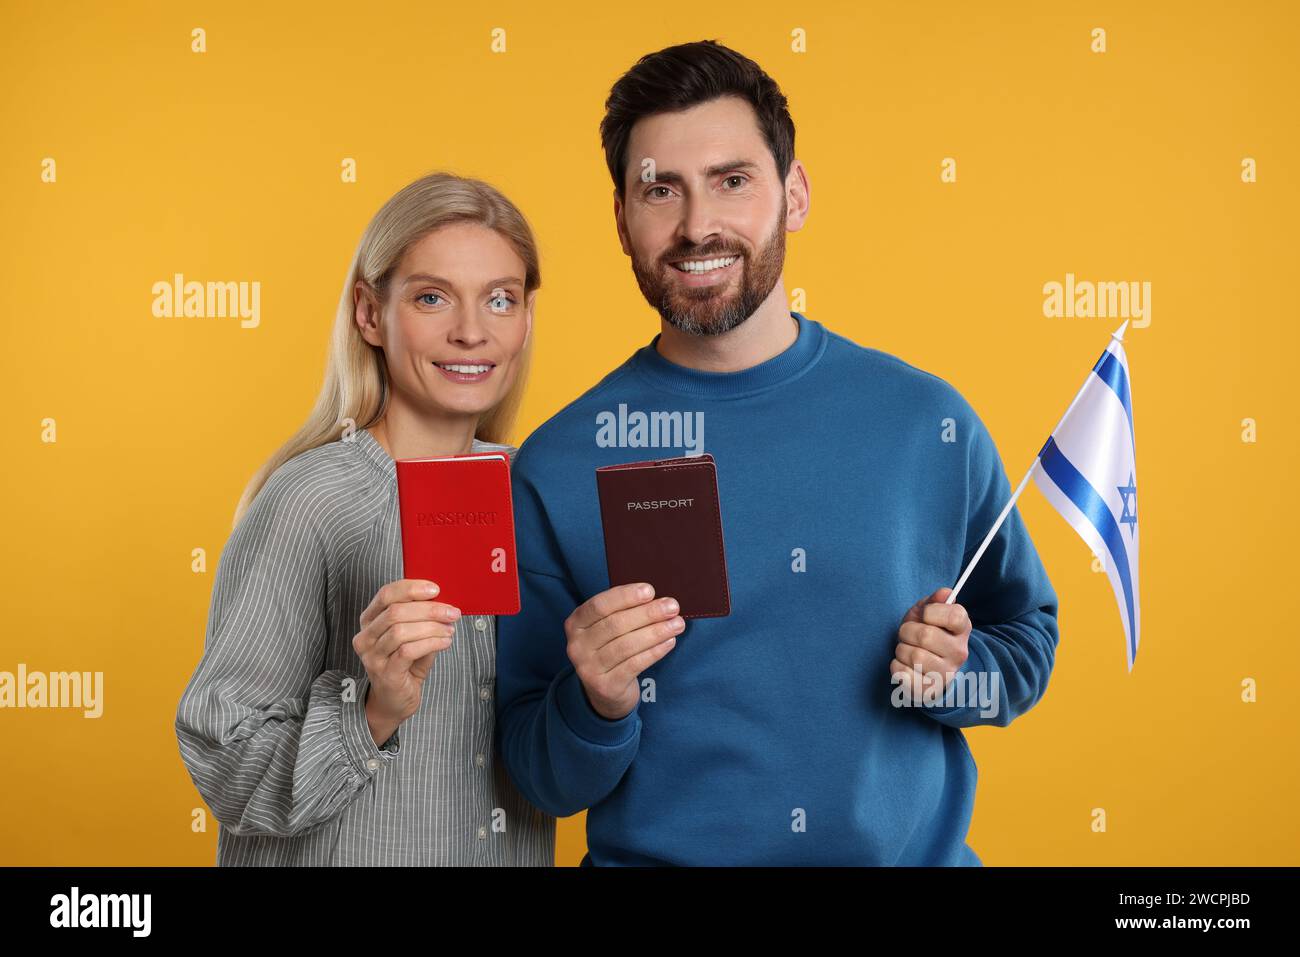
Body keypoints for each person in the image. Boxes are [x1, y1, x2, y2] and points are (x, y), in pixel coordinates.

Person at [495, 40, 1060, 865]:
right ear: (622, 219)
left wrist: (958, 676)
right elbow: (536, 770)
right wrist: (596, 701)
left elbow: (1027, 635)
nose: (698, 226)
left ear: (793, 194)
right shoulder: (556, 465)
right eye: (662, 190)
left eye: (733, 180)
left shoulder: (925, 422)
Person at [176, 171, 555, 865]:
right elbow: (223, 754)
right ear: (369, 313)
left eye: (500, 299)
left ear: (525, 318)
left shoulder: (535, 496)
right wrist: (373, 706)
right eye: (433, 297)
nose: (471, 332)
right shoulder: (308, 502)